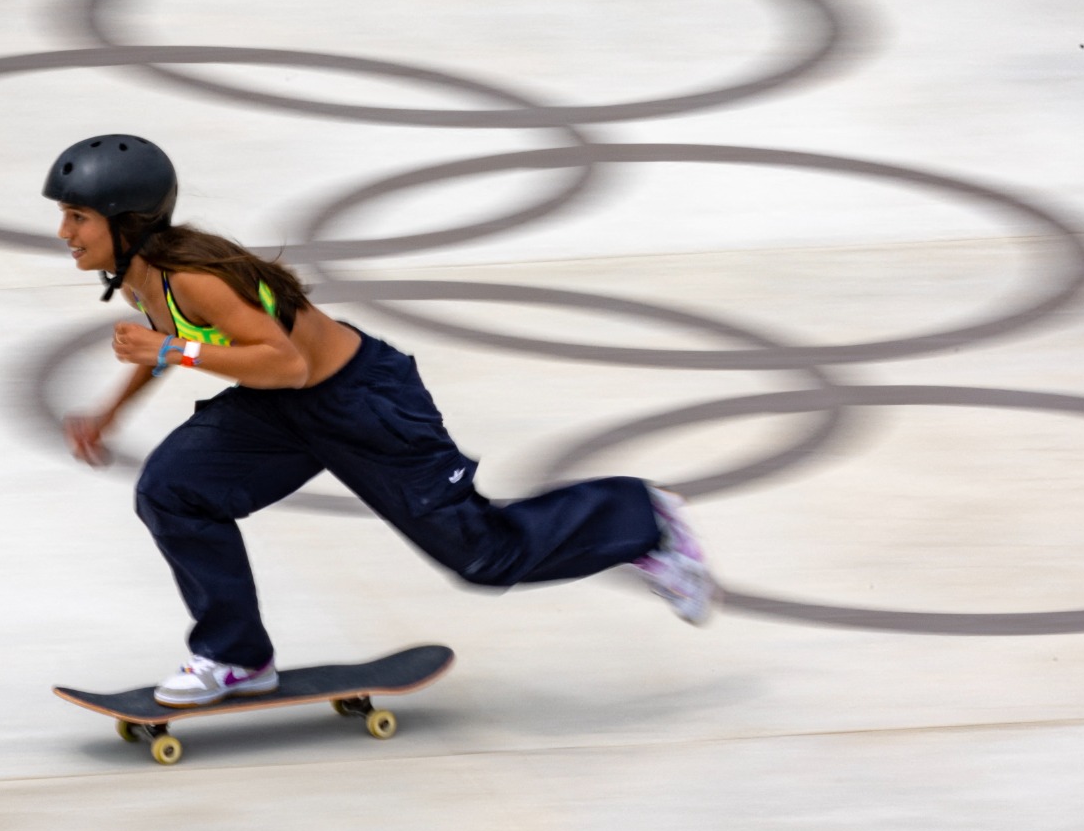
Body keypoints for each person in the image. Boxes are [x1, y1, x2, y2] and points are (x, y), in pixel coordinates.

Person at [48, 134, 721, 708]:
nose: (64, 233)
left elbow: (284, 363)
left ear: (127, 220)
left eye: (78, 217)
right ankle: (235, 657)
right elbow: (176, 337)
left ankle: (643, 517)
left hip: (360, 401)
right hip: (279, 408)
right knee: (171, 489)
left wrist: (173, 351)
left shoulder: (191, 274)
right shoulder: (141, 276)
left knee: (484, 556)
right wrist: (109, 411)